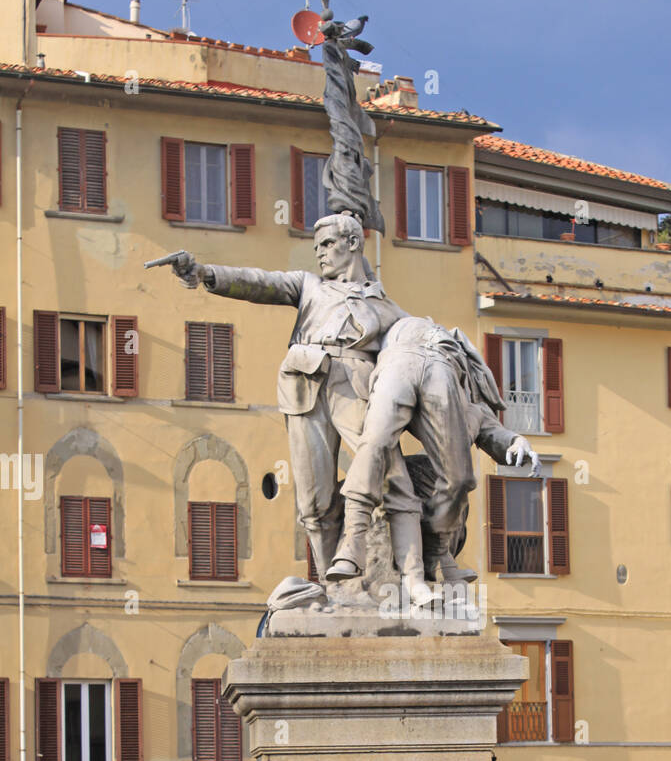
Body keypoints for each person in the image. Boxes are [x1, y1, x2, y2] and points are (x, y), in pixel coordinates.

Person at [169, 215, 436, 605]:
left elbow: (416, 359)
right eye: (316, 247)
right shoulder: (310, 287)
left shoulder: (389, 309)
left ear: (352, 243)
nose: (319, 254)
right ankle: (338, 588)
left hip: (357, 385)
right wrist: (206, 273)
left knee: (393, 479)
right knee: (314, 501)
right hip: (304, 388)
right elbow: (260, 283)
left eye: (327, 244)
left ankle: (414, 579)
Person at [325, 315, 539, 585]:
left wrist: (517, 441)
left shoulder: (469, 404)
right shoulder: (404, 330)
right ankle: (353, 542)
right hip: (400, 359)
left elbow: (493, 431)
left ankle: (436, 552)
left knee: (461, 479)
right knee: (375, 442)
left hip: (439, 370)